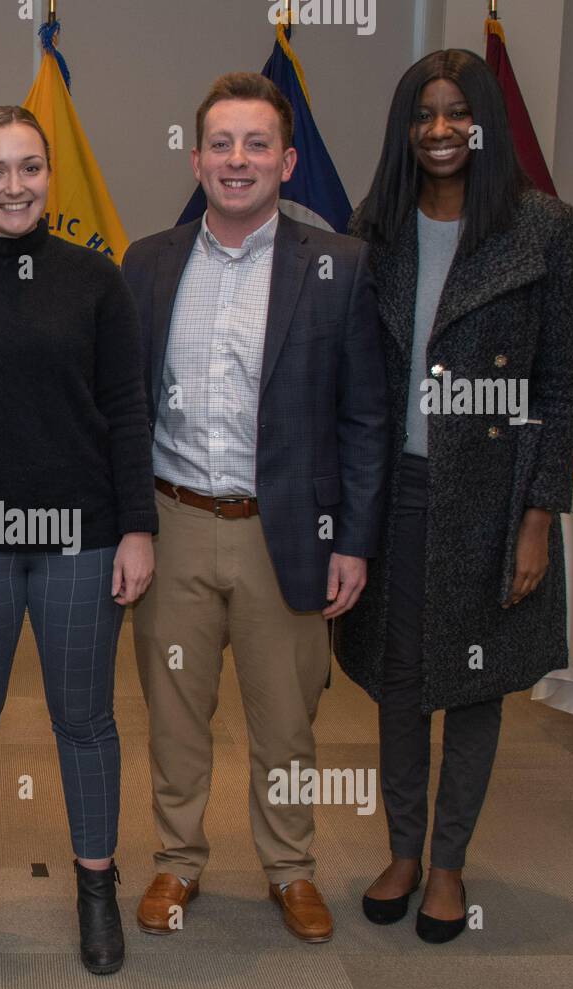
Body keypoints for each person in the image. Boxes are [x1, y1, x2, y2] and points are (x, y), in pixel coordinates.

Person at [122, 72, 388, 943]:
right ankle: (177, 859)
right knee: (175, 713)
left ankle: (291, 867)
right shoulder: (150, 262)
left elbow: (364, 415)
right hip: (175, 527)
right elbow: (124, 405)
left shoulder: (337, 267)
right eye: (222, 145)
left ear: (287, 159)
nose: (238, 161)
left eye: (256, 145)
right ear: (196, 159)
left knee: (287, 719)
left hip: (288, 538)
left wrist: (351, 539)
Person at [334, 49, 573, 943]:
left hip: (492, 496)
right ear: (407, 129)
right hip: (397, 492)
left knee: (476, 684)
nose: (440, 129)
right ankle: (403, 849)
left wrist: (537, 518)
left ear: (484, 121)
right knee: (400, 682)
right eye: (423, 114)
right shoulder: (376, 226)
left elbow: (560, 387)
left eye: (457, 112)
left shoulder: (542, 228)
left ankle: (448, 864)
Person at [0, 106, 156, 976]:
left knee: (86, 721)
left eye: (28, 168)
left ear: (49, 176)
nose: (13, 186)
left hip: (81, 540)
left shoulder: (99, 279)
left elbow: (128, 410)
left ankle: (97, 891)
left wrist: (137, 527)